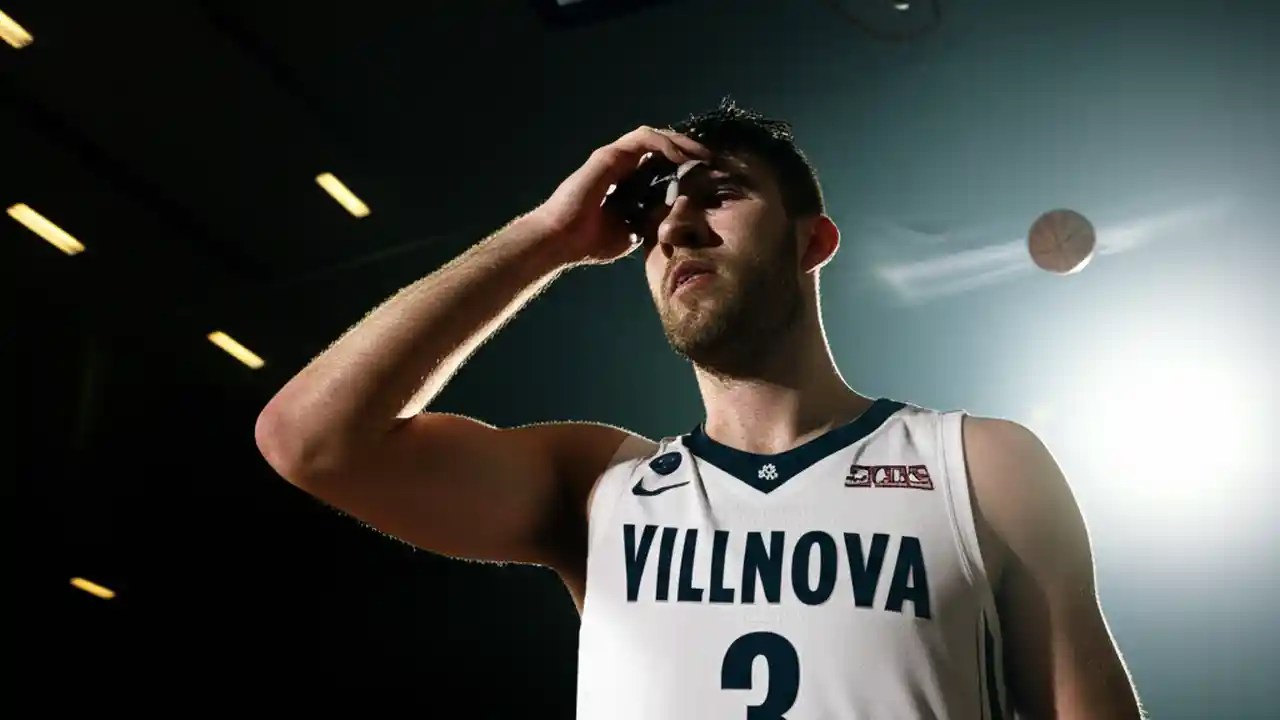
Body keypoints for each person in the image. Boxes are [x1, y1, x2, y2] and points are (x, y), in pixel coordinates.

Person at [254, 99, 1145, 719]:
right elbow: (311, 440)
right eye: (654, 221)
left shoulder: (980, 465)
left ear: (812, 241)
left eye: (718, 193)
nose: (676, 226)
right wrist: (550, 237)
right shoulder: (599, 485)